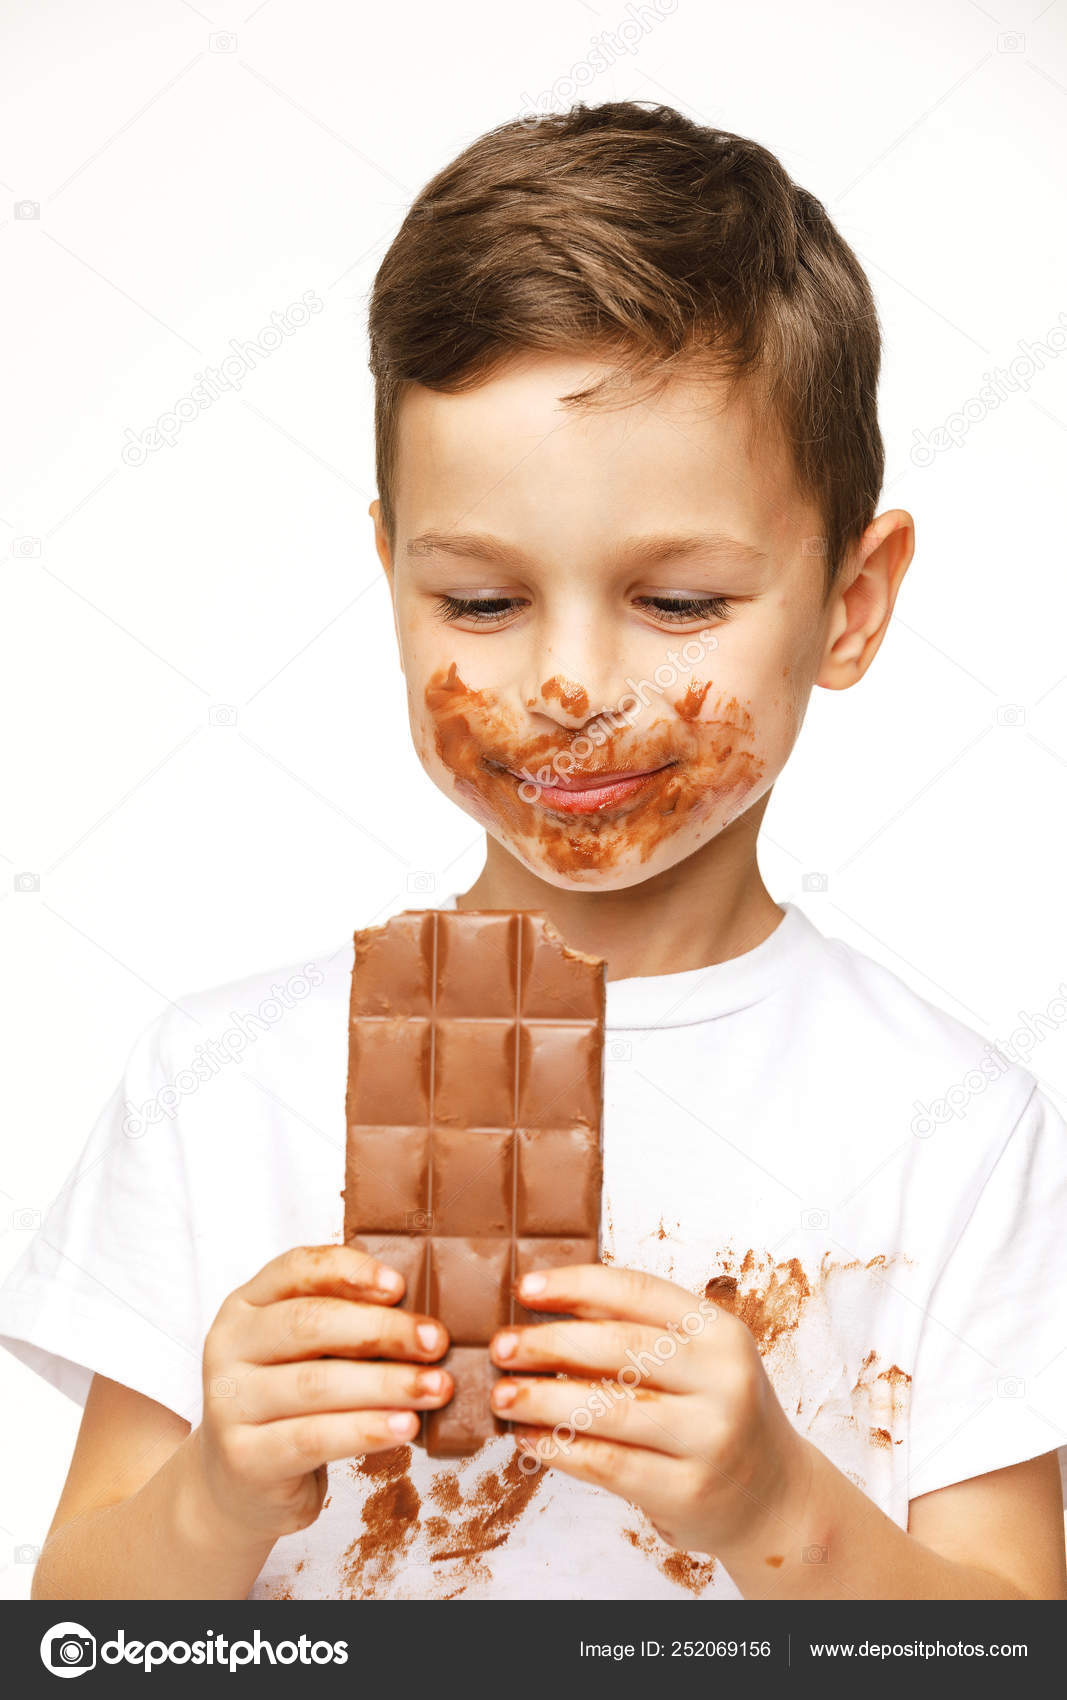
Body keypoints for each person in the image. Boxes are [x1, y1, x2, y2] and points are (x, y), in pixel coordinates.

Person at [3, 101, 1066, 1602]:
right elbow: (79, 1638)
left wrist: (781, 1507)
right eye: (482, 604)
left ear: (853, 600)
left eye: (680, 601)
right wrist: (211, 1501)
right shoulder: (220, 1092)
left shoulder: (959, 1132)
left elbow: (1011, 1648)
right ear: (391, 577)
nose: (568, 687)